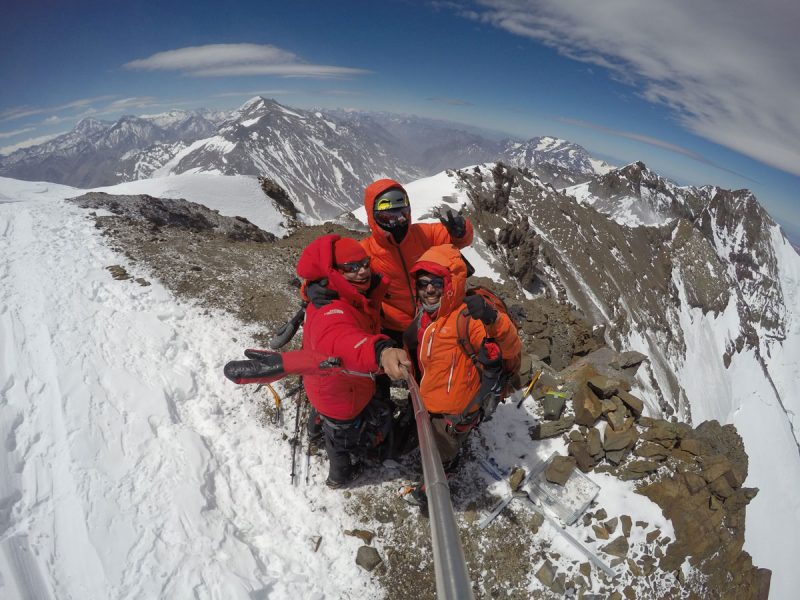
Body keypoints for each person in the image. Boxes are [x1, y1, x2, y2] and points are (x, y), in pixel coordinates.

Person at [296, 234, 411, 488]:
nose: (362, 272)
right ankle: (340, 475)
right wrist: (381, 351)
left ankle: (315, 432)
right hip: (339, 391)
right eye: (350, 268)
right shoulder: (330, 309)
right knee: (341, 437)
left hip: (324, 382)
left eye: (364, 263)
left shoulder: (336, 292)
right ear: (333, 271)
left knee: (324, 415)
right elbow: (341, 340)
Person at [405, 244, 521, 483]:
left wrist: (493, 319)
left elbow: (511, 348)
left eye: (437, 283)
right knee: (433, 441)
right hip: (429, 399)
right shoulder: (427, 314)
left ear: (450, 284)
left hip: (453, 412)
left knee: (443, 449)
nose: (429, 289)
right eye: (423, 282)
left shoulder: (468, 318)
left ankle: (443, 473)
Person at [307, 179, 474, 342]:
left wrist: (462, 230)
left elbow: (459, 239)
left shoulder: (423, 234)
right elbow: (334, 270)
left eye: (402, 214)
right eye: (389, 217)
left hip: (432, 316)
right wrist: (311, 287)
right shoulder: (365, 250)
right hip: (393, 327)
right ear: (374, 217)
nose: (398, 222)